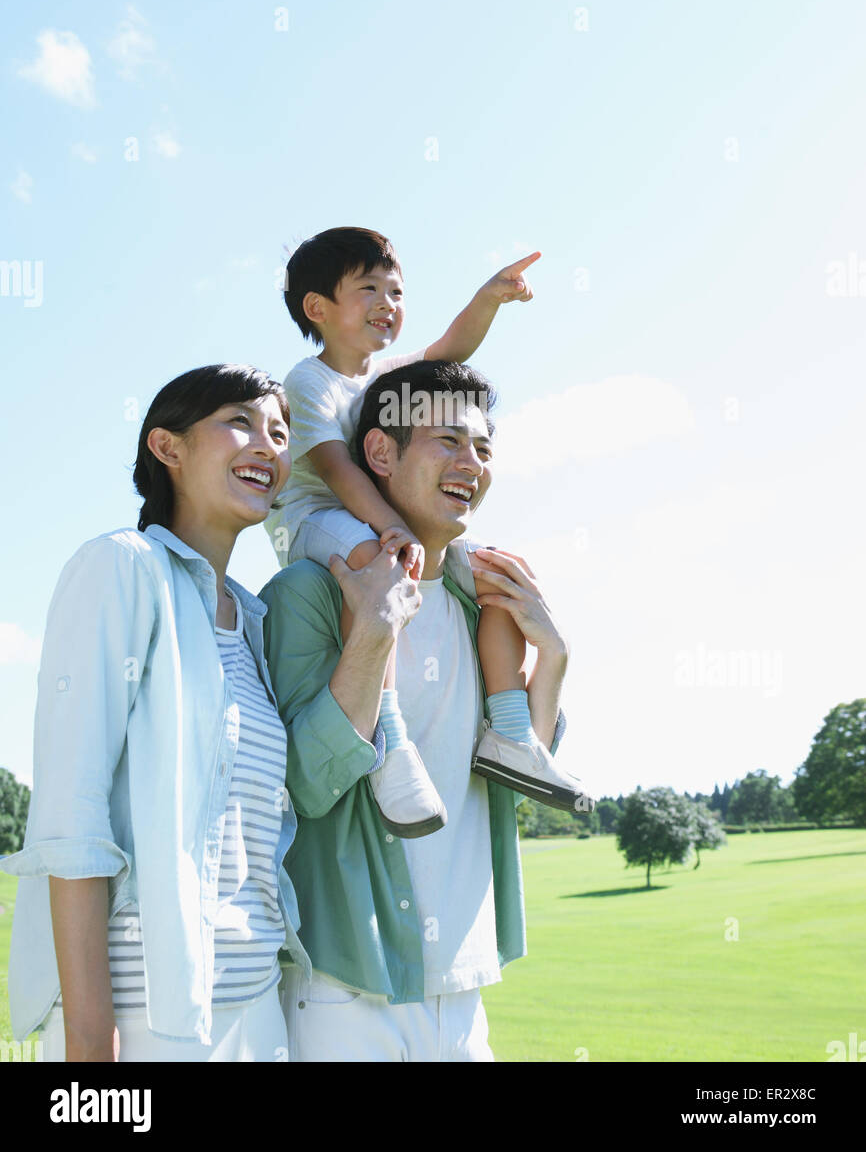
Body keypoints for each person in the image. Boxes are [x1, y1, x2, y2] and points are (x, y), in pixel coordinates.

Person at [259, 359, 593, 1062]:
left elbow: (518, 766)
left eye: (484, 449)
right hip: (347, 990)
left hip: (464, 985)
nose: (471, 463)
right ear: (380, 452)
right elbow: (305, 785)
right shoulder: (308, 594)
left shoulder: (484, 601)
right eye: (448, 441)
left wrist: (552, 657)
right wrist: (375, 634)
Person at [0, 364, 311, 1062]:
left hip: (256, 1014)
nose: (267, 444)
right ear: (168, 448)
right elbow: (70, 819)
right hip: (143, 1026)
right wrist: (90, 1044)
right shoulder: (122, 568)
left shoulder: (255, 621)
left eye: (281, 432)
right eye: (240, 421)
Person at [265, 226, 585, 832]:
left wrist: (489, 297)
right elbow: (336, 471)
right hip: (317, 520)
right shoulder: (310, 382)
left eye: (396, 290)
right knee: (376, 566)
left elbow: (449, 349)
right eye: (369, 289)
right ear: (318, 309)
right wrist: (392, 529)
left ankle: (512, 734)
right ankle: (388, 740)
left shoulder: (382, 378)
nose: (389, 303)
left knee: (495, 576)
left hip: (369, 518)